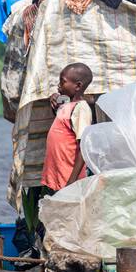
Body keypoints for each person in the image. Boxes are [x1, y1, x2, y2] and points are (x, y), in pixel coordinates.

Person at [40, 63, 95, 193]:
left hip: (69, 178)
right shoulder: (68, 104)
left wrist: (72, 180)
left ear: (78, 86)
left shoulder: (81, 109)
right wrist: (53, 98)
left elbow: (83, 146)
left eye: (62, 82)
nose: (59, 85)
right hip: (58, 176)